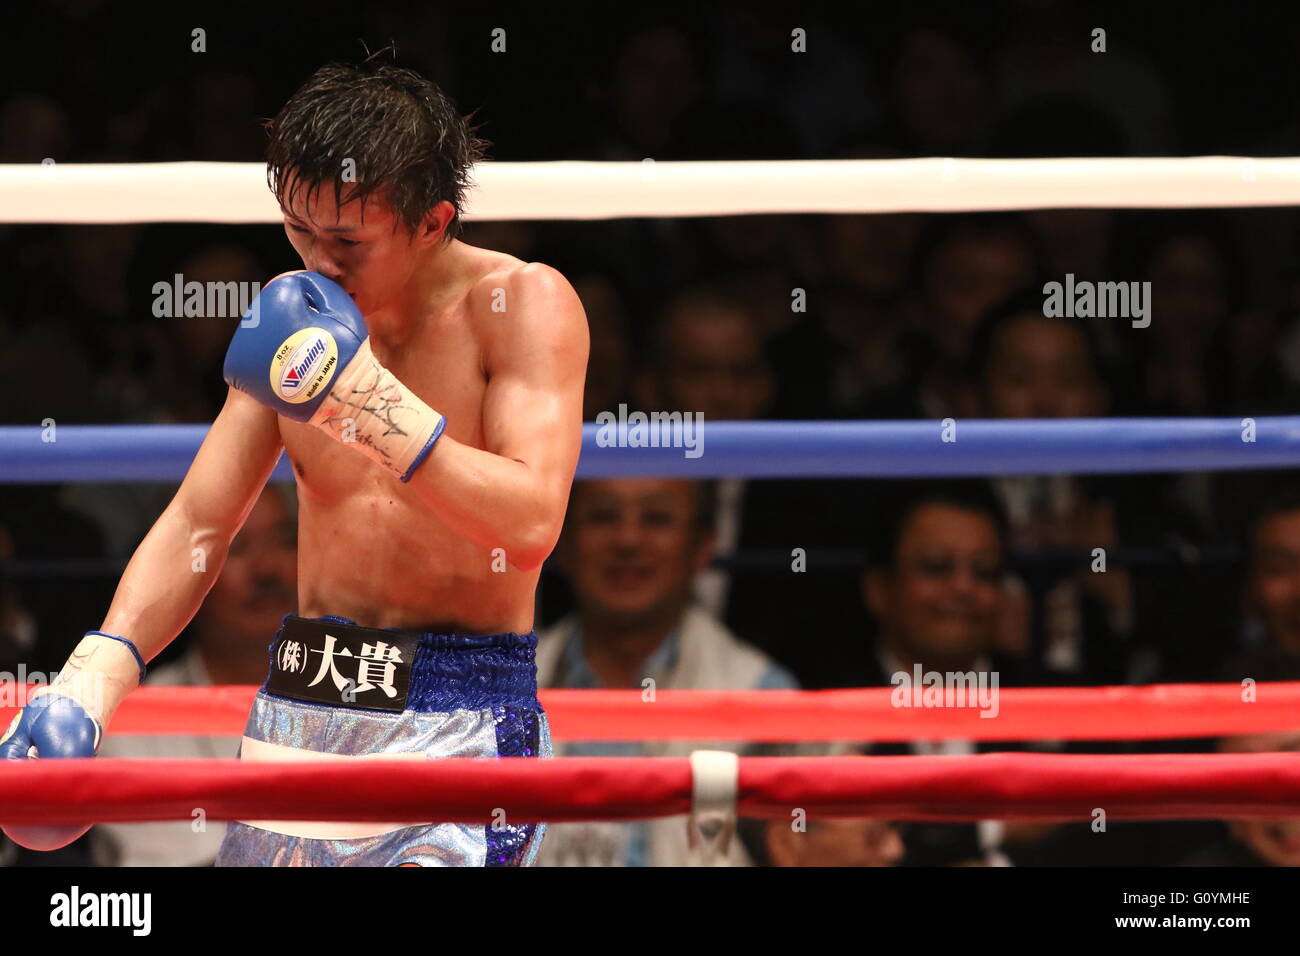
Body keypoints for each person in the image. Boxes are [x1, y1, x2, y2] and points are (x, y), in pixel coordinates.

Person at [2, 60, 588, 867]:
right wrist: (94, 674)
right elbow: (201, 521)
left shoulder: (523, 304)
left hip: (462, 716)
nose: (318, 262)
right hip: (300, 708)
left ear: (432, 222)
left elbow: (529, 524)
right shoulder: (292, 311)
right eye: (297, 229)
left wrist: (369, 405)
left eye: (348, 241)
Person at [535, 478, 796, 866]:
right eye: (603, 516)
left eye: (656, 519)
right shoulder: (499, 688)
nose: (627, 540)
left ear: (702, 547)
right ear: (563, 541)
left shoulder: (766, 699)